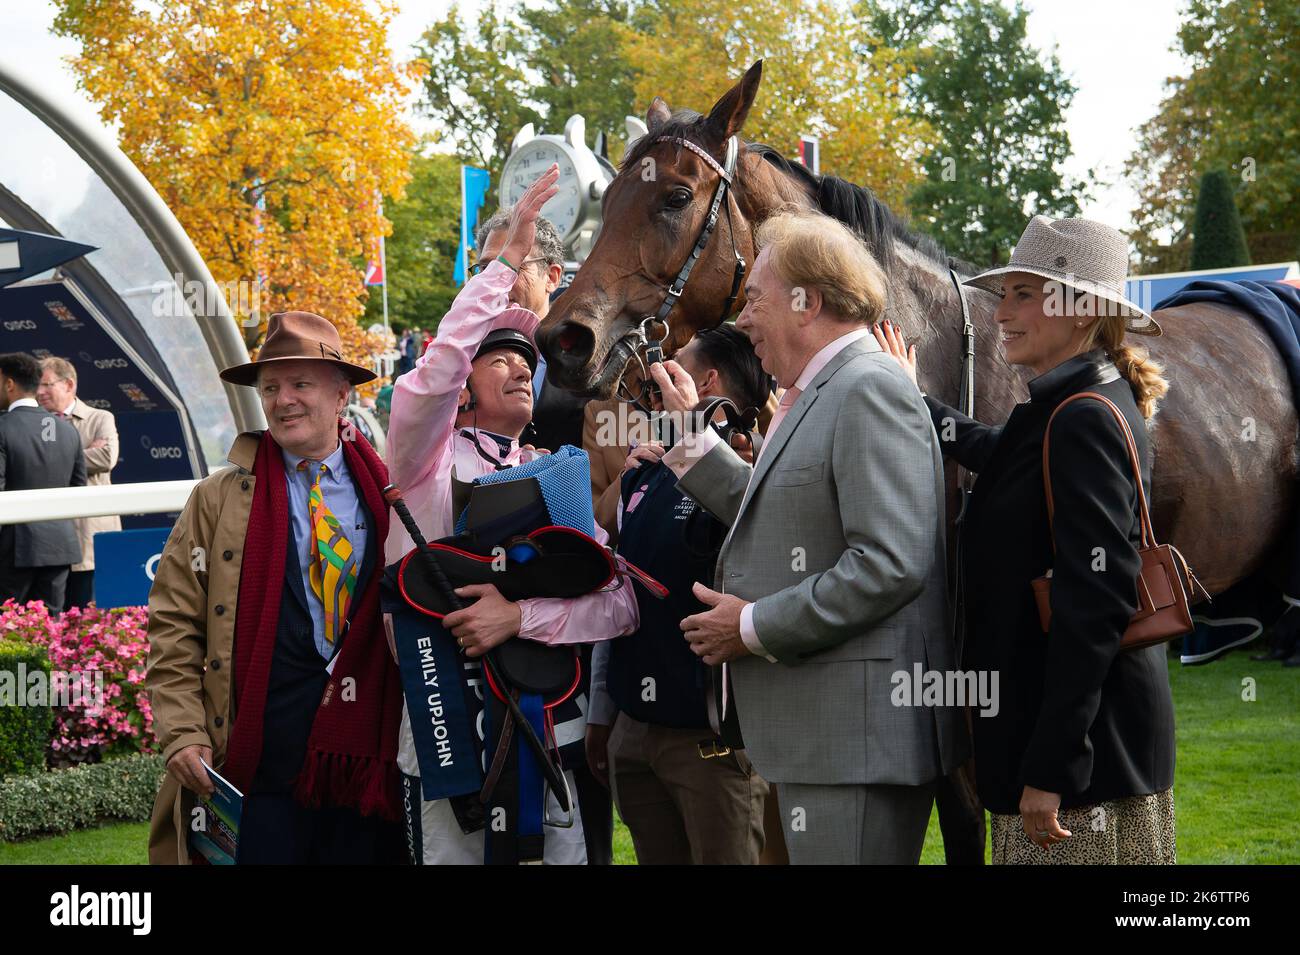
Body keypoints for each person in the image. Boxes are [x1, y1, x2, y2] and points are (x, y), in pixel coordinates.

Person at [655, 209, 967, 864]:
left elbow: (888, 564)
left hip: (855, 745)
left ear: (809, 302)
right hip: (829, 742)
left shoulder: (868, 388)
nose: (743, 321)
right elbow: (776, 507)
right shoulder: (824, 388)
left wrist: (750, 626)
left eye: (754, 300)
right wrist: (686, 440)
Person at [877, 214, 1177, 865]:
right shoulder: (1068, 404)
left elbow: (1095, 606)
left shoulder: (1081, 418)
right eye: (1004, 293)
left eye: (1023, 294)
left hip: (1083, 772)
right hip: (1075, 753)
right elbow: (1001, 454)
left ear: (1083, 310)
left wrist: (1052, 768)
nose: (1000, 312)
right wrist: (913, 396)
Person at [383, 163, 639, 865]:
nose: (522, 367)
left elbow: (618, 604)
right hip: (444, 736)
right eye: (498, 358)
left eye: (527, 358)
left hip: (551, 738)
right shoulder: (423, 460)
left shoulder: (555, 473)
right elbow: (432, 376)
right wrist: (503, 268)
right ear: (462, 385)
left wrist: (518, 617)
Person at [146, 312, 404, 864]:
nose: (283, 400)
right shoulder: (218, 498)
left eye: (300, 384)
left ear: (342, 395)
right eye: (270, 388)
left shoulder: (393, 492)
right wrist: (183, 730)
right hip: (259, 760)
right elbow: (174, 622)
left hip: (364, 764)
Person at [586, 324, 772, 864]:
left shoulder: (752, 465)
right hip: (635, 730)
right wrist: (604, 714)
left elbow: (763, 537)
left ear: (705, 381)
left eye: (676, 359)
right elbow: (616, 574)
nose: (657, 367)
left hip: (709, 745)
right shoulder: (652, 462)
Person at [0, 352, 86, 614]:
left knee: (8, 626)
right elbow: (79, 490)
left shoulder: (2, 427)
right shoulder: (68, 430)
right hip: (59, 546)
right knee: (49, 627)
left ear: (9, 384)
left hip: (12, 549)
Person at [36, 357, 120, 610]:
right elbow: (33, 465)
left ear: (69, 384)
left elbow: (106, 458)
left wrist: (52, 459)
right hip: (49, 541)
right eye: (37, 385)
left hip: (90, 540)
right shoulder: (36, 423)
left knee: (90, 616)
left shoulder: (99, 418)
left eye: (47, 385)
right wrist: (83, 453)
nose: (40, 392)